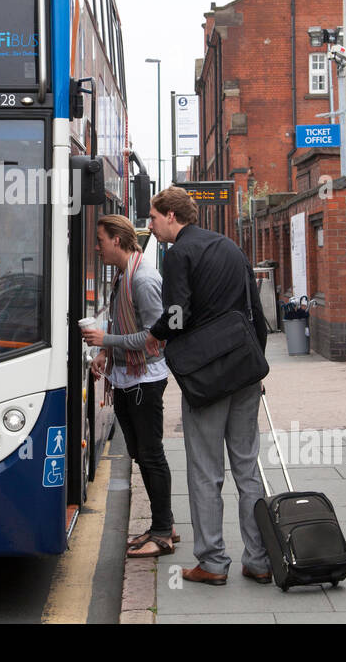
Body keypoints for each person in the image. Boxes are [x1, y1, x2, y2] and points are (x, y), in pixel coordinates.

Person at [147, 186, 271, 585]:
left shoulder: (179, 254)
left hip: (206, 377)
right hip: (244, 369)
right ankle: (259, 559)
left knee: (205, 470)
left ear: (171, 216)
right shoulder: (230, 247)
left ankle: (213, 562)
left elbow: (177, 316)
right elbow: (257, 312)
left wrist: (156, 333)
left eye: (152, 218)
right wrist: (255, 368)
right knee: (247, 468)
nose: (149, 226)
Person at [81, 214, 176, 558]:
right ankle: (162, 523)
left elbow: (155, 337)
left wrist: (108, 339)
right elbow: (122, 320)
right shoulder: (125, 274)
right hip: (125, 377)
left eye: (101, 239)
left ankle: (163, 532)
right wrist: (105, 351)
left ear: (117, 241)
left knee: (151, 455)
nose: (97, 246)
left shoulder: (144, 279)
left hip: (145, 380)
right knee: (140, 454)